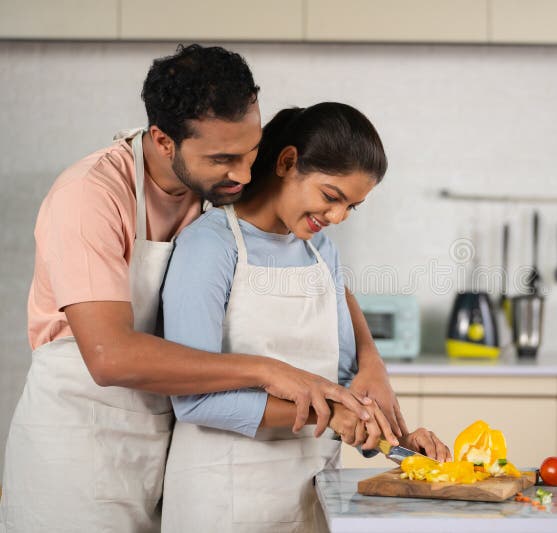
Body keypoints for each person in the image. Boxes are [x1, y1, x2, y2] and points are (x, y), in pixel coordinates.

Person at [1, 45, 402, 533]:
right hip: (80, 441)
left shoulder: (211, 185)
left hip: (164, 436)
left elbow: (327, 278)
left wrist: (369, 359)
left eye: (252, 151)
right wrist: (271, 372)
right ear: (163, 141)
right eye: (224, 158)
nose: (244, 172)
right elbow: (109, 356)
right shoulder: (88, 196)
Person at [159, 103, 450, 532]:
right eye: (332, 197)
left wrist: (399, 447)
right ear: (287, 161)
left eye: (352, 207)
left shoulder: (320, 253)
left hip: (312, 496)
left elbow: (348, 384)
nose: (337, 217)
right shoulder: (209, 246)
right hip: (222, 499)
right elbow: (193, 399)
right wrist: (328, 413)